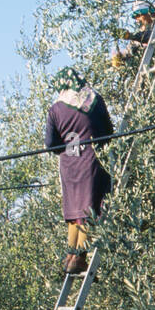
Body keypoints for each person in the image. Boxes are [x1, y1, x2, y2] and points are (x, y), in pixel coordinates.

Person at [45, 67, 114, 275]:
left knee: (74, 212)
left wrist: (69, 145)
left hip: (69, 165)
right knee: (88, 210)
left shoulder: (56, 108)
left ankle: (70, 257)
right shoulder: (94, 100)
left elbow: (51, 144)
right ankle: (81, 256)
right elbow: (108, 131)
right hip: (92, 161)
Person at [110, 0, 155, 68]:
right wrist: (120, 56)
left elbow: (149, 36)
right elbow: (130, 50)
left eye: (139, 15)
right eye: (136, 17)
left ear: (150, 14)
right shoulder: (138, 35)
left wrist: (131, 36)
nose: (137, 20)